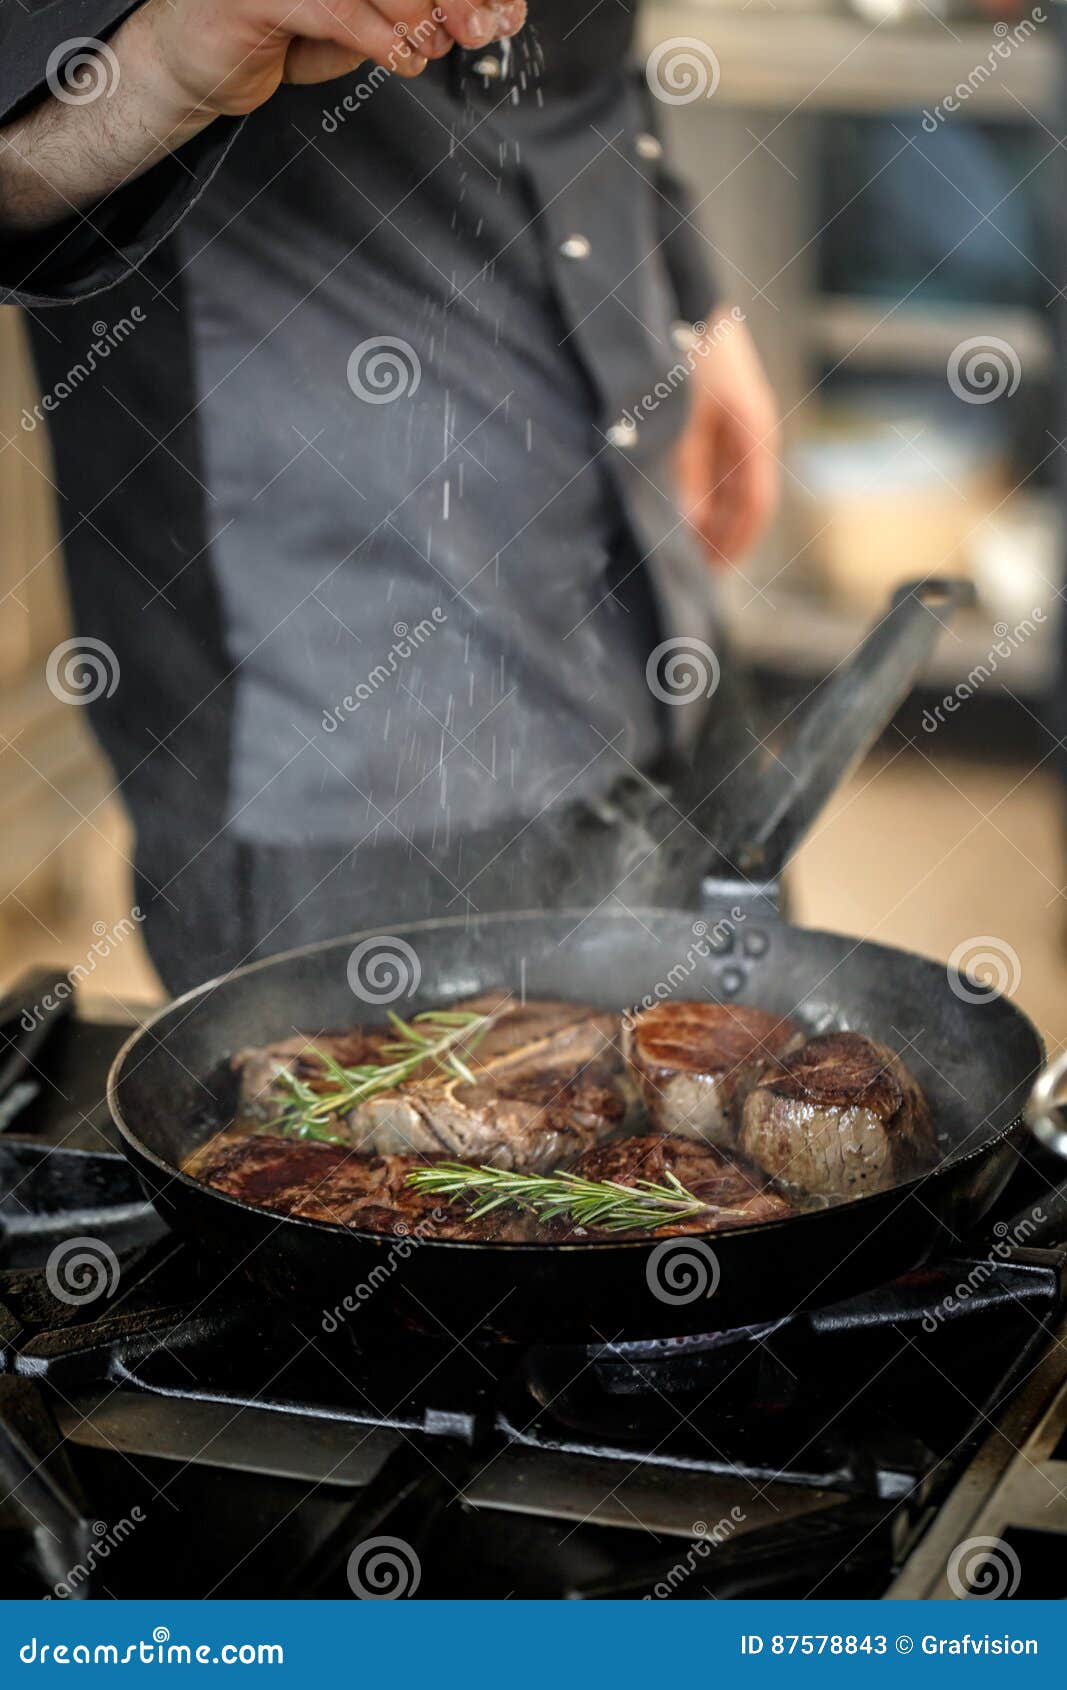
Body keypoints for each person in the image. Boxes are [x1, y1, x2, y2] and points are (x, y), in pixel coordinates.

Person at [0, 0, 779, 993]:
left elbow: (592, 54)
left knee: (749, 1064)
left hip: (649, 574)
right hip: (349, 708)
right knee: (367, 1133)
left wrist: (690, 287)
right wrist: (156, 60)